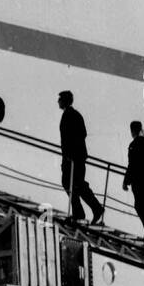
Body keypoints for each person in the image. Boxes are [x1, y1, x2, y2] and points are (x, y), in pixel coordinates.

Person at [58, 90, 104, 224]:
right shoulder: (73, 114)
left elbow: (79, 135)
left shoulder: (70, 115)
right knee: (77, 184)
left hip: (73, 158)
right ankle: (91, 209)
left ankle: (84, 211)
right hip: (74, 157)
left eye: (60, 99)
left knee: (70, 183)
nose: (58, 102)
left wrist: (71, 153)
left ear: (64, 101)